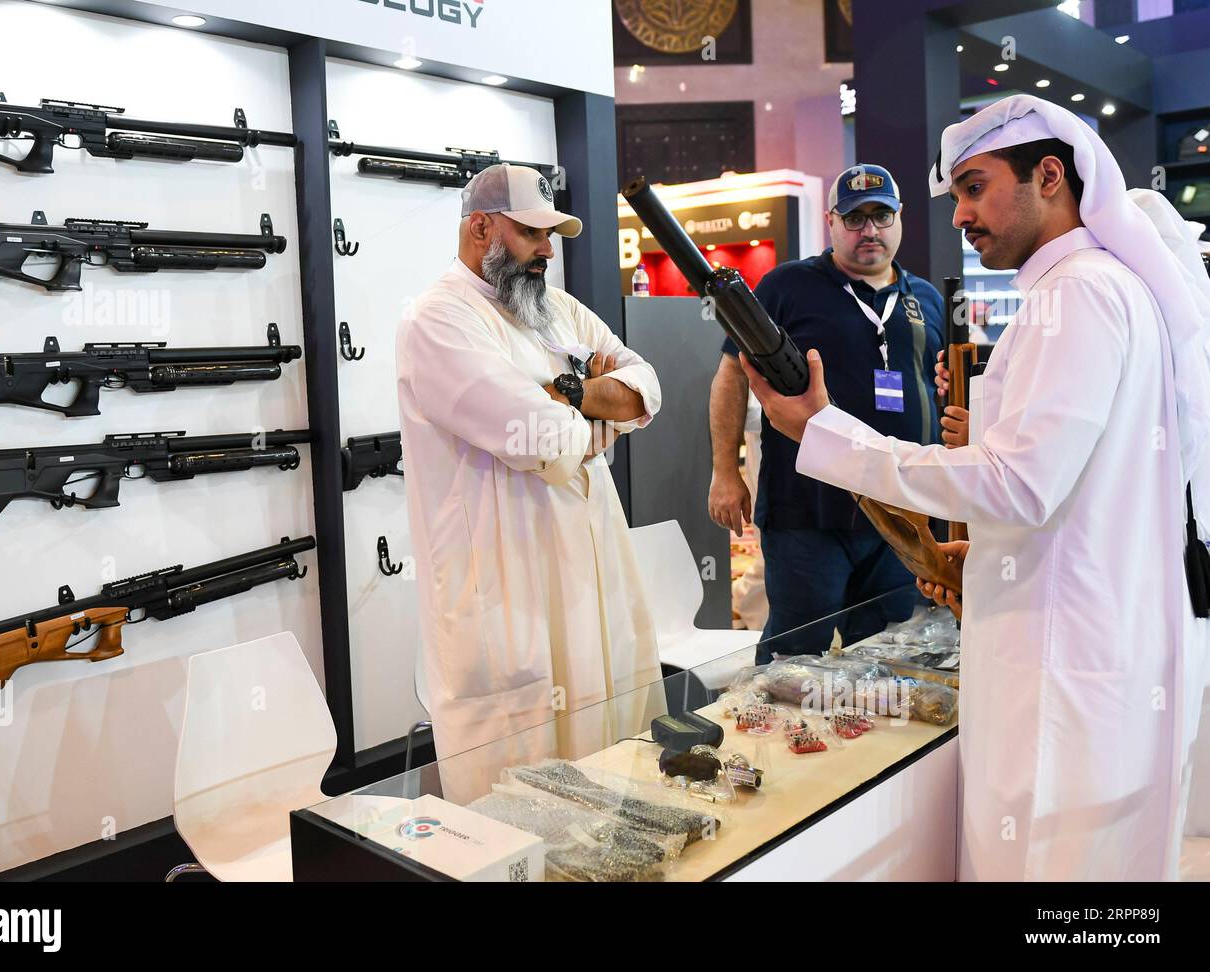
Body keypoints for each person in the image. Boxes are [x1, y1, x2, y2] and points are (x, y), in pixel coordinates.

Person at [741, 94, 1210, 881]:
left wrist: (826, 432)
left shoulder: (1079, 294)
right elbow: (1068, 486)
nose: (958, 214)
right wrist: (981, 549)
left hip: (1064, 665)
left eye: (974, 187)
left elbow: (1019, 484)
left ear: (1050, 176)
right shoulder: (1092, 291)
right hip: (1086, 642)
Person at [396, 163, 664, 801]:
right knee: (520, 813)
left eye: (552, 235)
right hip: (506, 594)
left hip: (590, 584)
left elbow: (647, 389)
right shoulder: (437, 320)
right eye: (530, 233)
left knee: (615, 790)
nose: (548, 249)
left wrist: (566, 394)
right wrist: (593, 412)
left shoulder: (556, 311)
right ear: (480, 228)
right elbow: (542, 439)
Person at [707, 164, 944, 662]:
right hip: (806, 513)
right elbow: (731, 374)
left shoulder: (926, 299)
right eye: (855, 219)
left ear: (900, 219)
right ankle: (771, 740)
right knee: (795, 654)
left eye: (882, 216)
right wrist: (725, 472)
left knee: (890, 655)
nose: (869, 231)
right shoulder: (788, 287)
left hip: (899, 512)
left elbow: (939, 387)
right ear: (831, 223)